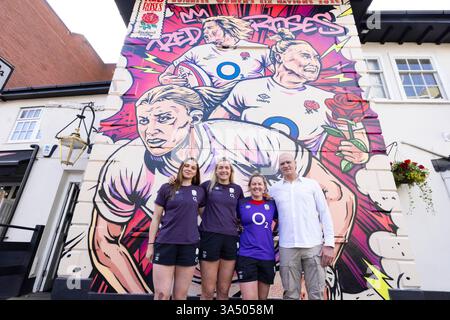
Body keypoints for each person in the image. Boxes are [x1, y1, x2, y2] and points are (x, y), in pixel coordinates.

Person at [89, 84, 355, 294]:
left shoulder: (247, 138)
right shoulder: (126, 165)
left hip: (271, 263)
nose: (151, 130)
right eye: (143, 120)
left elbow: (337, 194)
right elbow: (104, 241)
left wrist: (319, 263)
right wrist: (138, 292)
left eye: (164, 118)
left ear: (192, 118)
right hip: (192, 269)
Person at [210, 28, 369, 163]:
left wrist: (360, 153)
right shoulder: (247, 88)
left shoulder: (326, 99)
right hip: (249, 178)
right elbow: (212, 125)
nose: (314, 63)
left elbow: (359, 138)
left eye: (316, 58)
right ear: (280, 57)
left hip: (300, 178)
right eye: (306, 56)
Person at [269, 152, 335, 300]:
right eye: (282, 164)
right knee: (290, 294)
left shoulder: (312, 185)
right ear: (279, 168)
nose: (286, 165)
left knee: (317, 293)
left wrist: (329, 244)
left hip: (314, 246)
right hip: (287, 247)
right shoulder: (274, 190)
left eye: (288, 162)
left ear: (295, 164)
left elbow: (325, 213)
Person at [145, 158, 205, 300]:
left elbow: (206, 216)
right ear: (181, 168)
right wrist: (150, 245)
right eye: (186, 166)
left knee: (180, 295)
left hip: (189, 246)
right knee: (162, 294)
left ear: (196, 173)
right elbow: (156, 218)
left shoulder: (200, 191)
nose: (189, 169)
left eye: (193, 168)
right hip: (166, 243)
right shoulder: (167, 188)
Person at [159, 16, 272, 88]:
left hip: (249, 100)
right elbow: (170, 70)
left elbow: (282, 74)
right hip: (210, 101)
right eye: (204, 29)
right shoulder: (197, 51)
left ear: (227, 28)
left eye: (210, 28)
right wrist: (164, 78)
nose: (205, 32)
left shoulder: (260, 49)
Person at [198, 158, 243, 300]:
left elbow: (241, 212)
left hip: (230, 238)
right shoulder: (207, 186)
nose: (224, 170)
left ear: (231, 171)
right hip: (210, 237)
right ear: (216, 171)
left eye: (227, 168)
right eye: (220, 168)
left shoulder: (237, 189)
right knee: (208, 290)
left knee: (223, 290)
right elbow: (196, 203)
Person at [236, 173, 278, 300]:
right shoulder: (241, 203)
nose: (257, 186)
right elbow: (234, 220)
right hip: (247, 255)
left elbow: (280, 220)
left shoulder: (271, 204)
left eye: (260, 184)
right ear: (249, 186)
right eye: (254, 184)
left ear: (264, 187)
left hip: (267, 256)